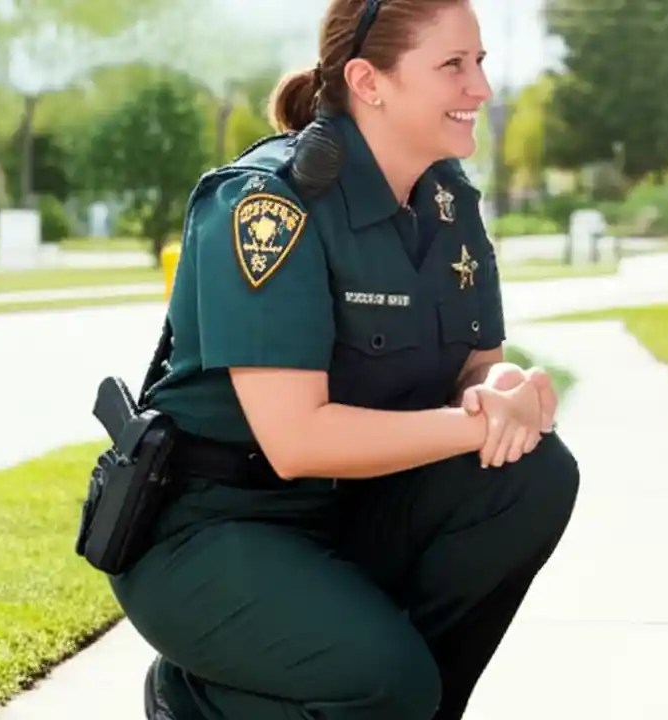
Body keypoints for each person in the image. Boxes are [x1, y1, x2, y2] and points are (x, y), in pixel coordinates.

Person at [105, 1, 581, 718]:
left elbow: (476, 368)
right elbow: (297, 440)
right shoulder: (268, 204)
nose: (480, 87)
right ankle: (197, 699)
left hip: (349, 506)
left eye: (479, 62)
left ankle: (405, 702)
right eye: (453, 65)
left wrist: (502, 388)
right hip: (212, 529)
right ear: (368, 81)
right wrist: (479, 423)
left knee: (533, 475)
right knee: (389, 683)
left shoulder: (448, 200)